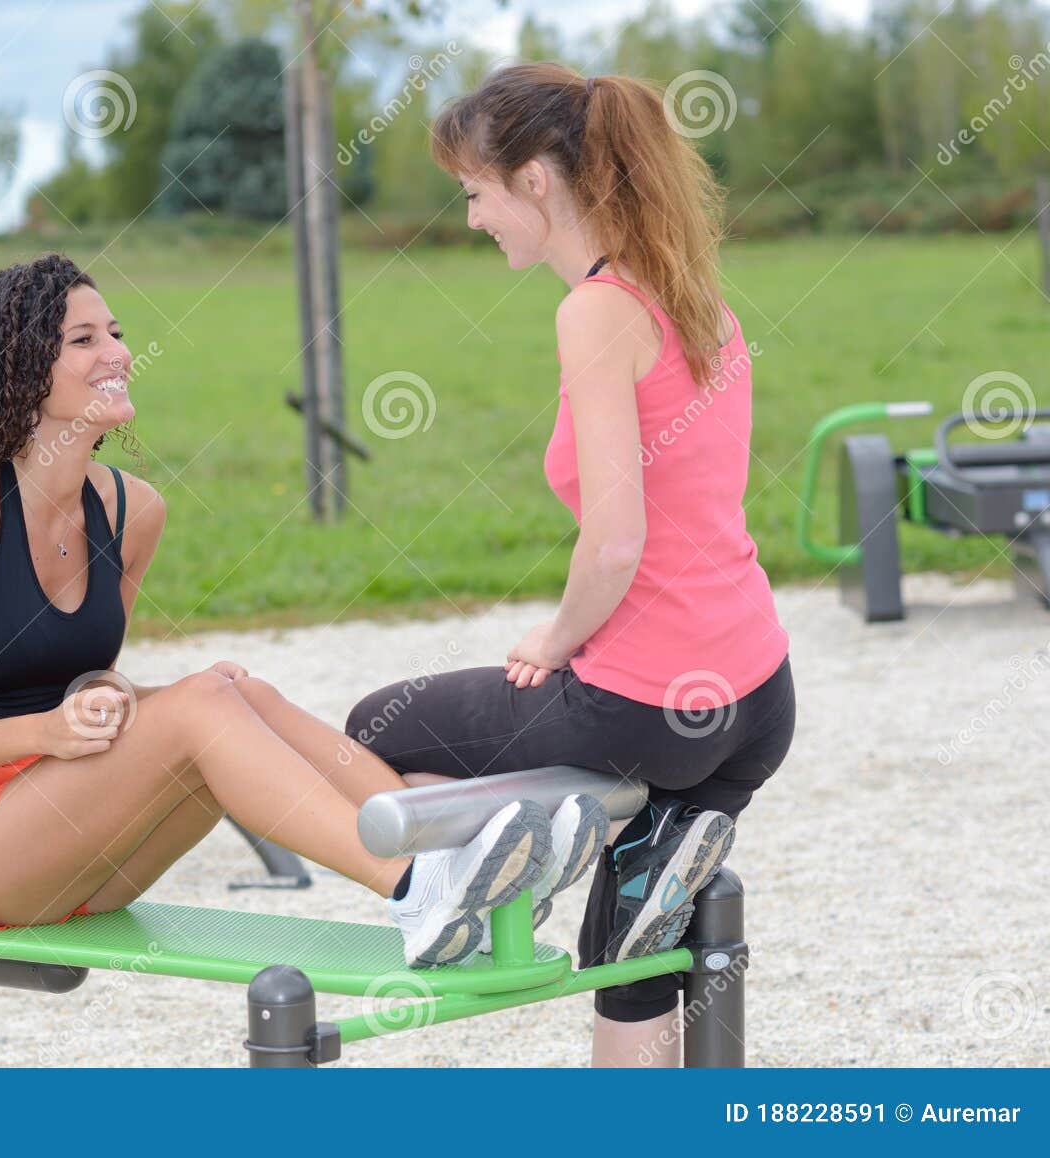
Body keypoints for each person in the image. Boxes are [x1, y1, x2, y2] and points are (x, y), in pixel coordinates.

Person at [0, 253, 558, 970]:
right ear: (20, 371)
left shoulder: (133, 512)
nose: (119, 354)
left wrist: (124, 700)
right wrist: (50, 730)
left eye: (116, 333)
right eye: (85, 340)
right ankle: (415, 889)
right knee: (200, 706)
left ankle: (453, 848)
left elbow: (82, 683)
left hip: (86, 841)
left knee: (236, 692)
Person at [345, 63, 795, 1065]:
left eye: (474, 193)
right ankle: (539, 845)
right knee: (628, 969)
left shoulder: (593, 311)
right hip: (753, 696)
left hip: (642, 705)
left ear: (535, 183)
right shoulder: (696, 299)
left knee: (371, 726)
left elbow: (617, 540)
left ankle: (484, 870)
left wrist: (554, 641)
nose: (471, 219)